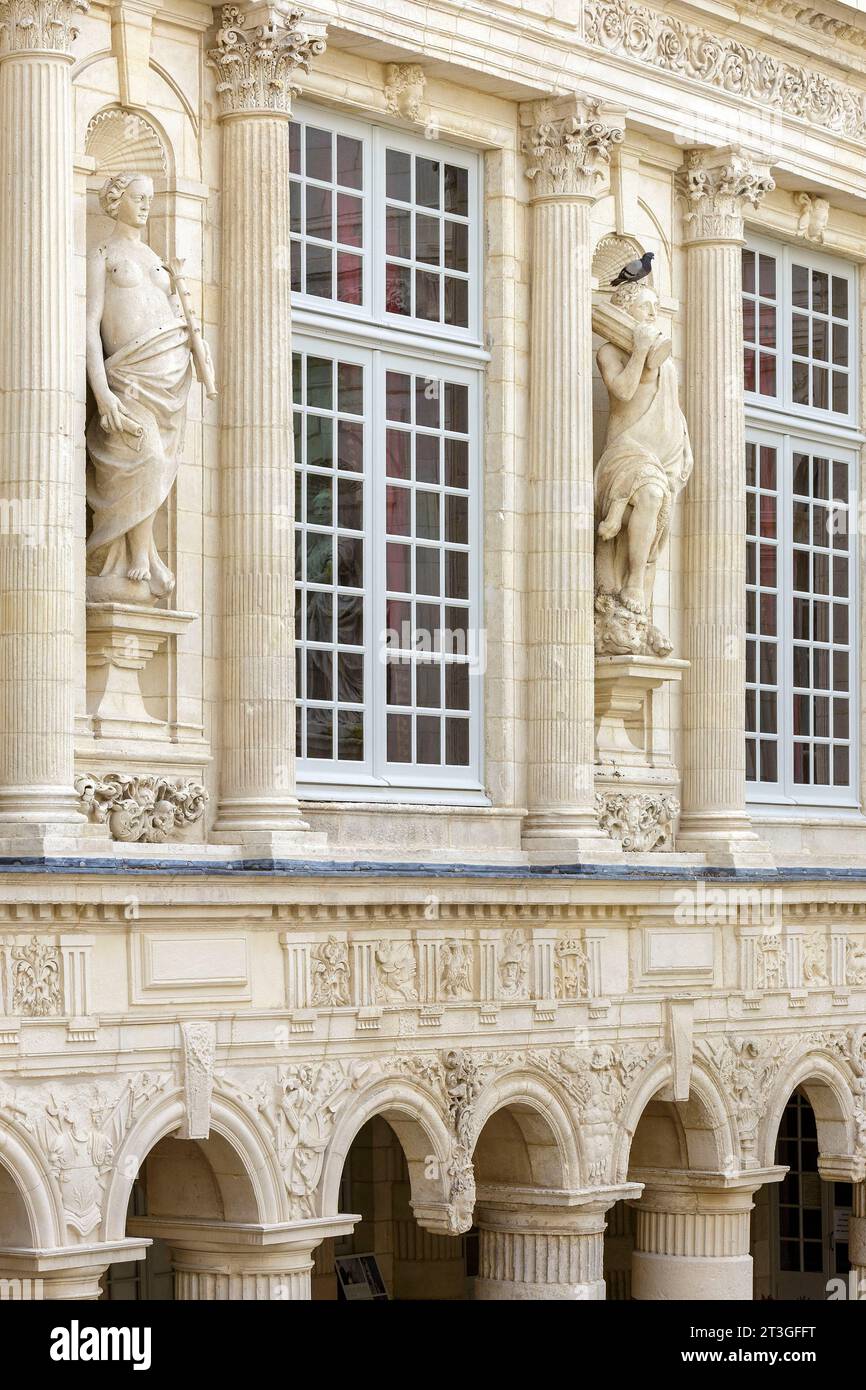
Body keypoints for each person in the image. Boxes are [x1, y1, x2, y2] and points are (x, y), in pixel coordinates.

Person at [85, 173, 204, 599]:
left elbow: (175, 312)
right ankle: (137, 555)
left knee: (159, 467)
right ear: (116, 202)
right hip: (127, 379)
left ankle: (145, 553)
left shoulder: (156, 257)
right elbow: (89, 328)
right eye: (138, 198)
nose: (145, 206)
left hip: (169, 379)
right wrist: (101, 394)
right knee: (147, 457)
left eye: (150, 199)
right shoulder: (102, 254)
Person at [594, 281, 692, 656]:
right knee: (649, 494)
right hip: (624, 454)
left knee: (654, 531)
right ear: (626, 312)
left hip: (660, 459)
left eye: (655, 308)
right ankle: (632, 584)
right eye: (645, 308)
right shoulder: (608, 352)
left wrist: (682, 446)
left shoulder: (667, 363)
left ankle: (642, 615)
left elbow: (671, 410)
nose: (653, 314)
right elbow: (622, 391)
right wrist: (640, 351)